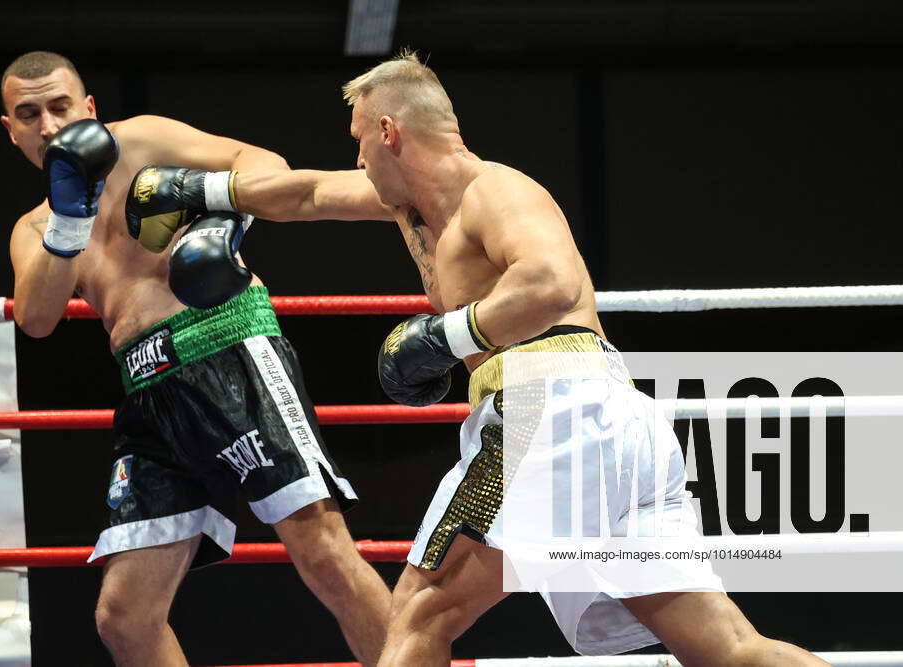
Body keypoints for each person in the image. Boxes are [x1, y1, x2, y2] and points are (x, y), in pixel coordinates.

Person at [127, 51, 830, 666]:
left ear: (388, 131)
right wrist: (204, 190)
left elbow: (549, 279)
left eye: (360, 144)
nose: (358, 162)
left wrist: (445, 337)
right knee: (725, 648)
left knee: (423, 610)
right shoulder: (413, 212)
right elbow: (308, 193)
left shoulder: (496, 191)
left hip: (550, 409)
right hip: (605, 423)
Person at [0, 51, 390, 667]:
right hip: (148, 394)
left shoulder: (145, 140)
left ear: (89, 109)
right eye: (29, 114)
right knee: (125, 619)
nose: (48, 126)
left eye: (59, 107)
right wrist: (70, 213)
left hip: (225, 342)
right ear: (11, 129)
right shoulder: (35, 227)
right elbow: (36, 317)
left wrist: (222, 215)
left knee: (323, 552)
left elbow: (258, 163)